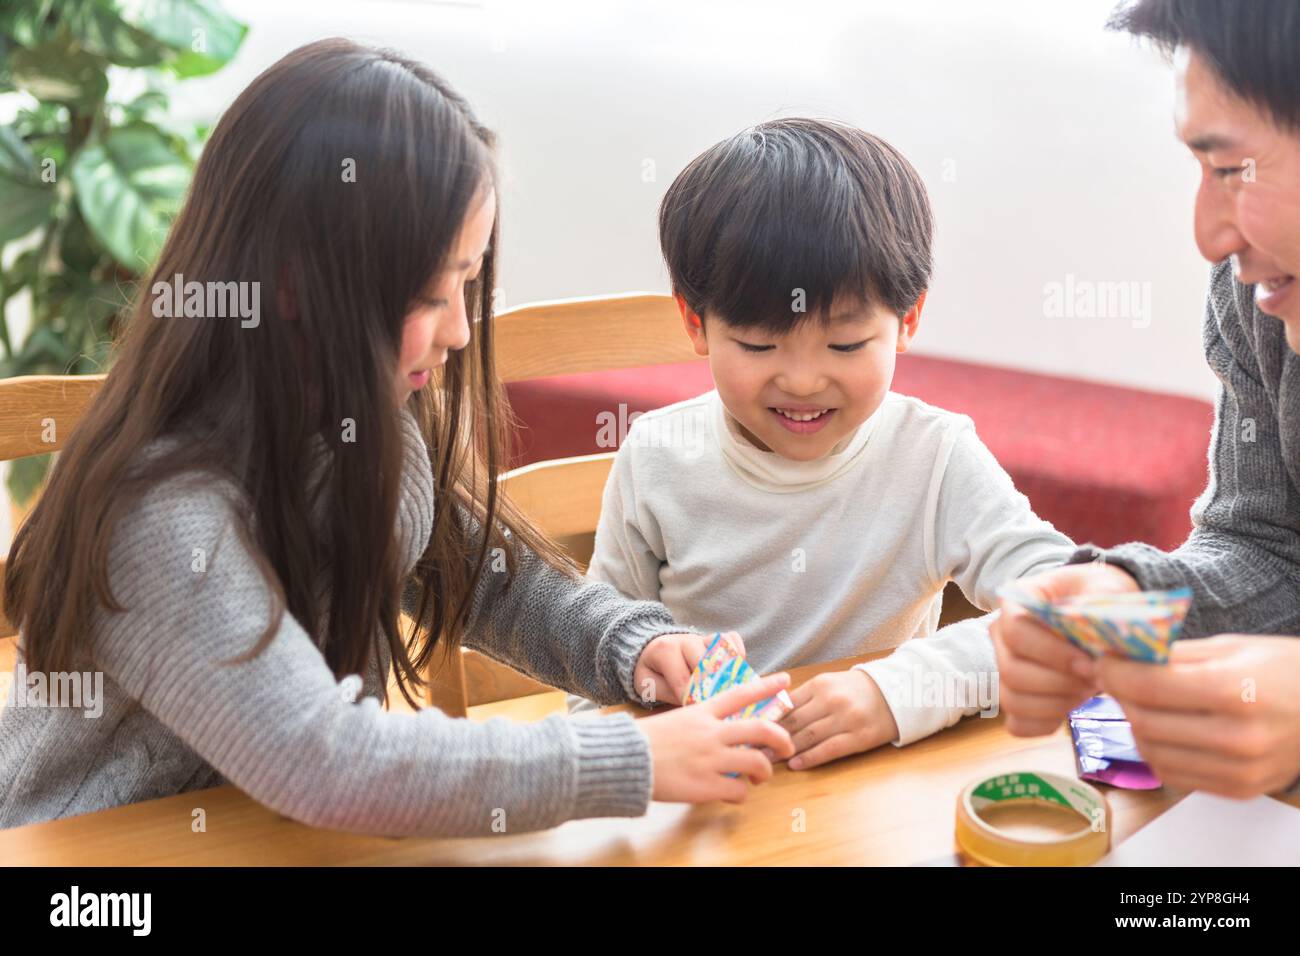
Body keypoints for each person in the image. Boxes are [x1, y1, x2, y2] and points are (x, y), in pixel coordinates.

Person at [0, 39, 796, 835]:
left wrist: (628, 645)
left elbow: (484, 578)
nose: (459, 328)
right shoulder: (164, 518)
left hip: (276, 836)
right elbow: (328, 759)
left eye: (469, 280)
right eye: (429, 292)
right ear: (289, 287)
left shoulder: (366, 417)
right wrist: (633, 762)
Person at [993, 0, 1300, 798]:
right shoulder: (1259, 299)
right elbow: (1271, 543)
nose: (1209, 237)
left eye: (1231, 169)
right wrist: (1136, 596)